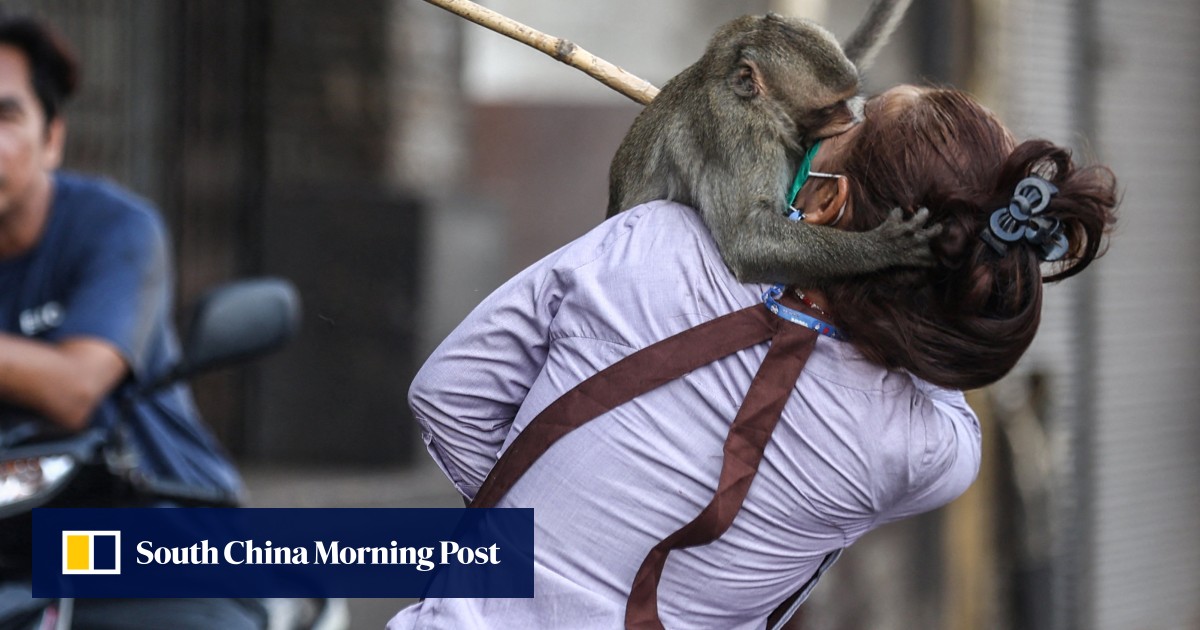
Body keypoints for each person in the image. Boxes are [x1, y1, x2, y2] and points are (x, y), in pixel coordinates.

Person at [388, 84, 1117, 629]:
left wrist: (543, 539)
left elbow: (448, 397)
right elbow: (932, 362)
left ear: (827, 205)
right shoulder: (926, 448)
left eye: (849, 123)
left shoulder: (658, 240)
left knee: (293, 551)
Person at [0, 15, 265, 629]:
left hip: (154, 534)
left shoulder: (115, 228)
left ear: (52, 138)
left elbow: (74, 387)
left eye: (5, 116)